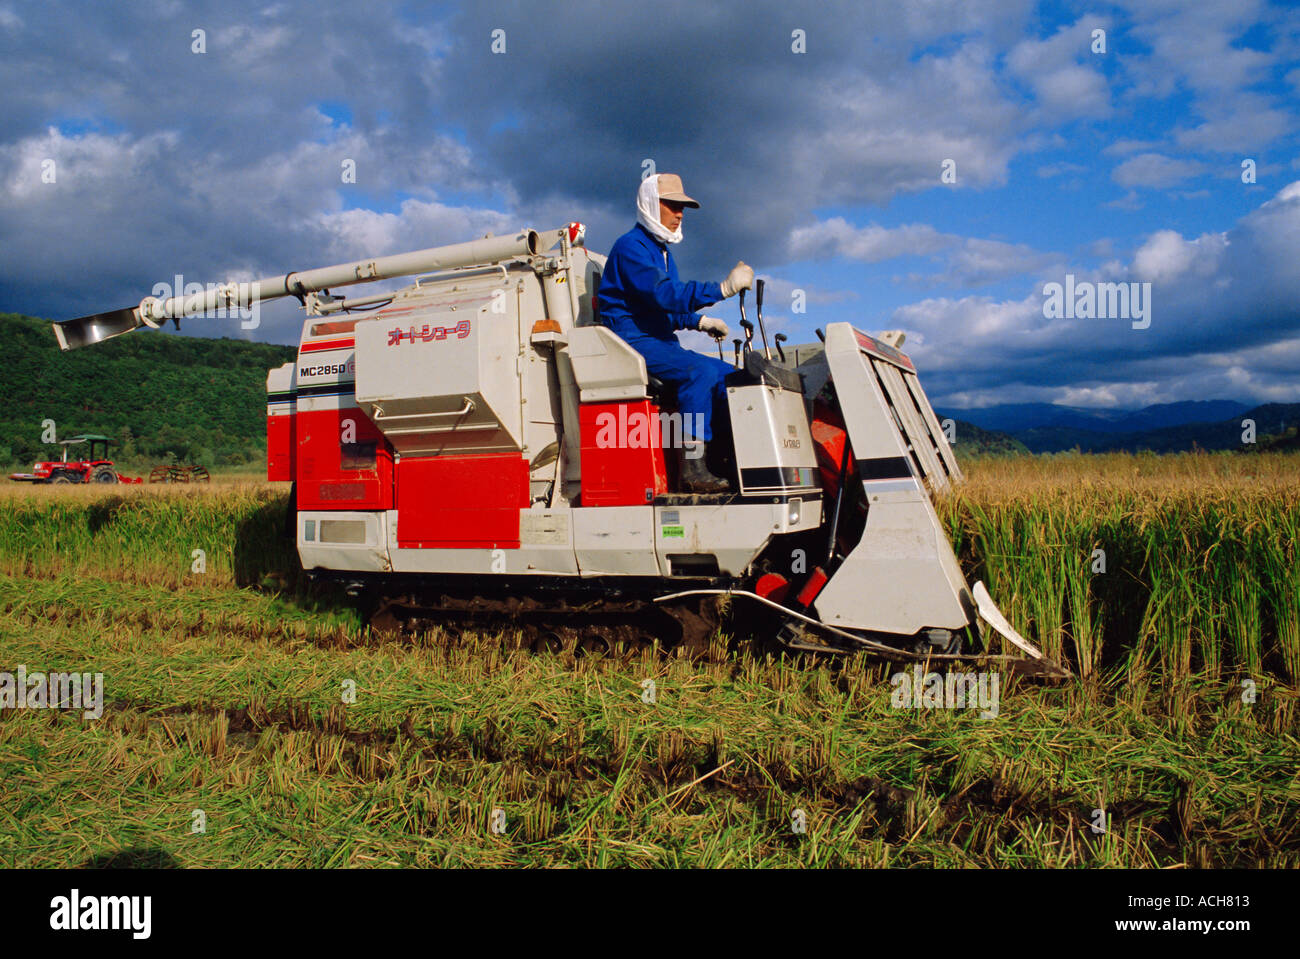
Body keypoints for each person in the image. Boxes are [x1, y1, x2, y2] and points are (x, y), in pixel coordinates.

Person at [597, 173, 753, 492]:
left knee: (731, 377)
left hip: (657, 340)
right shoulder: (631, 247)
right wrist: (722, 289)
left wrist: (699, 322)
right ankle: (693, 468)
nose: (679, 213)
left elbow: (669, 308)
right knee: (698, 371)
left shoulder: (663, 252)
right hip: (632, 340)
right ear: (651, 205)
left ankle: (726, 457)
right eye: (671, 205)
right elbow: (665, 295)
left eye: (682, 207)